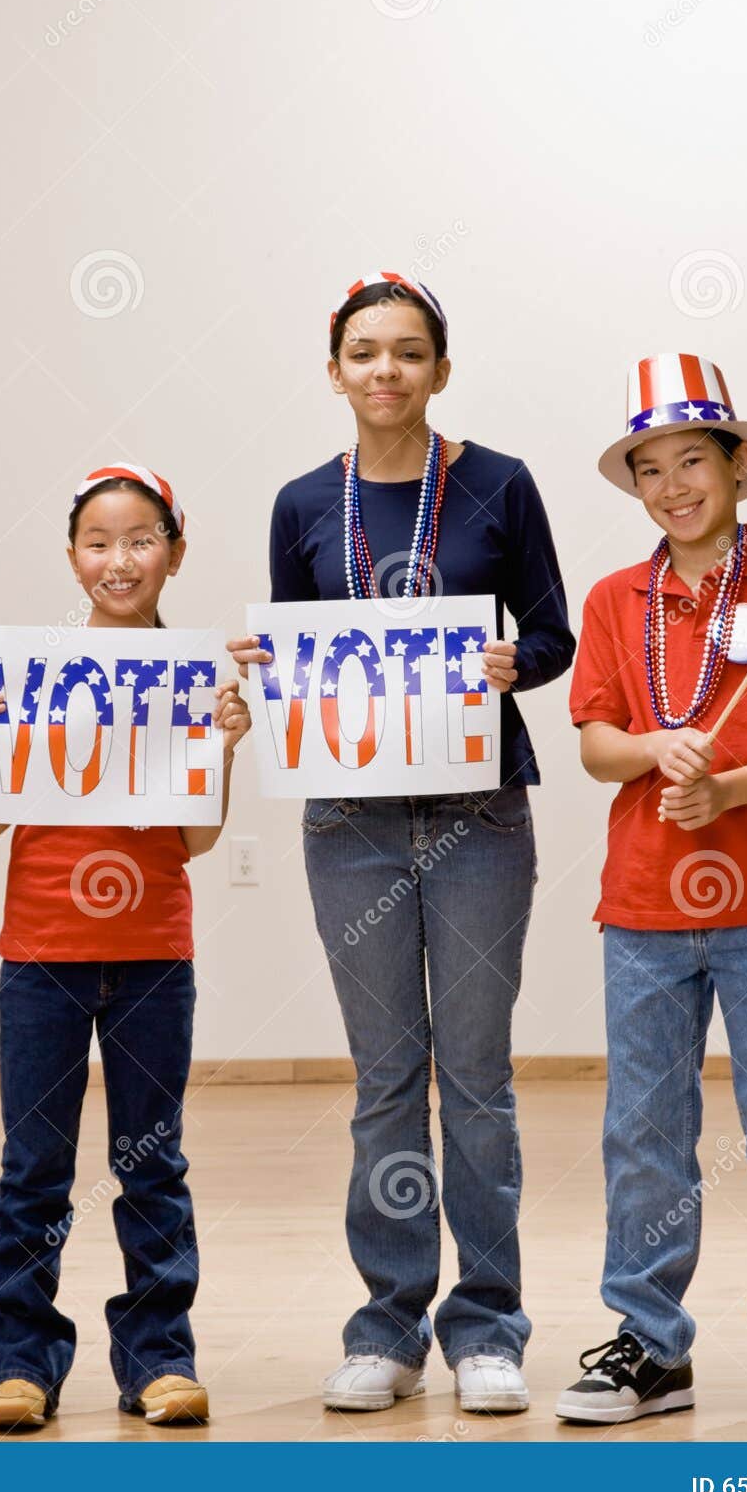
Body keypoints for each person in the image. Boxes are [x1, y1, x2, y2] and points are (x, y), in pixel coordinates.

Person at [228, 273, 575, 1414]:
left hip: (478, 811)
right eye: (365, 352)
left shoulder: (498, 482)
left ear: (441, 368)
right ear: (335, 371)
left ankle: (486, 1326)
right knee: (385, 1079)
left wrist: (516, 663)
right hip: (351, 821)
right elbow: (297, 652)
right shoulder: (300, 502)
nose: (387, 370)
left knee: (475, 1076)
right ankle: (386, 1324)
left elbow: (555, 633)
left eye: (409, 351)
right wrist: (266, 674)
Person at [557, 353, 747, 1435]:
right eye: (650, 468)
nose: (672, 484)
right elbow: (595, 742)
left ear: (736, 465)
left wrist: (730, 786)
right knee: (644, 1129)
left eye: (692, 459)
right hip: (642, 906)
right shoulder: (614, 598)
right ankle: (649, 1342)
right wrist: (656, 748)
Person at [0, 464, 251, 1430]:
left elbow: (196, 839)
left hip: (154, 949)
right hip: (42, 947)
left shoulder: (194, 676)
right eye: (98, 542)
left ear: (175, 551)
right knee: (33, 1163)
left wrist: (222, 748)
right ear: (73, 556)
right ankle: (18, 1359)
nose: (119, 560)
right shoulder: (33, 670)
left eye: (140, 540)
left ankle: (159, 1355)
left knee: (151, 1160)